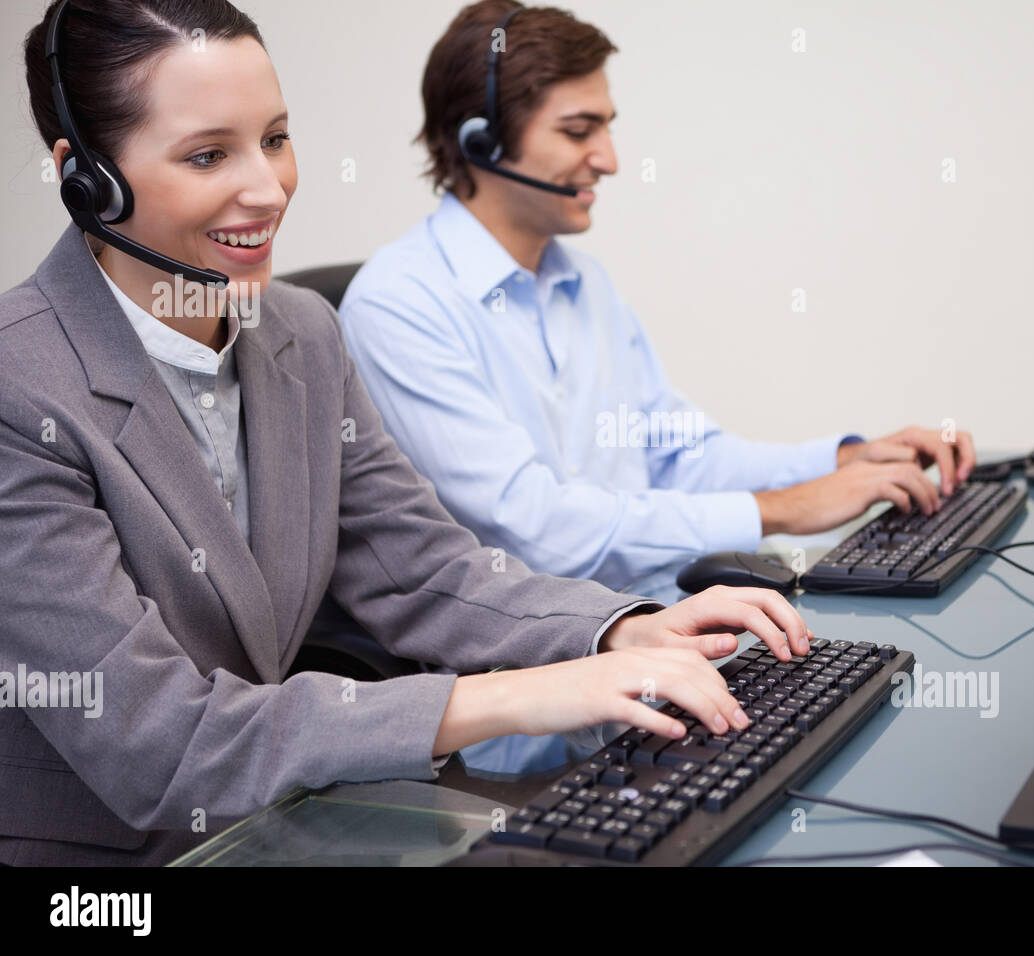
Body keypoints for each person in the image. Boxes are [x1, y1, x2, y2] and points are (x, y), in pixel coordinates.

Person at [0, 0, 812, 867]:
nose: (270, 189)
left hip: (289, 818)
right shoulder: (20, 390)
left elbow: (425, 570)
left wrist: (618, 630)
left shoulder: (302, 334)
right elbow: (157, 741)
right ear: (84, 175)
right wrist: (529, 695)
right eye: (208, 154)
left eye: (275, 139)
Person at [339, 0, 979, 594]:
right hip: (544, 681)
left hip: (662, 629)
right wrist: (784, 510)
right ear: (482, 142)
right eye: (578, 130)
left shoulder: (583, 283)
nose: (609, 159)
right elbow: (536, 531)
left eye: (607, 128)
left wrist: (844, 459)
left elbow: (678, 454)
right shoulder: (399, 305)